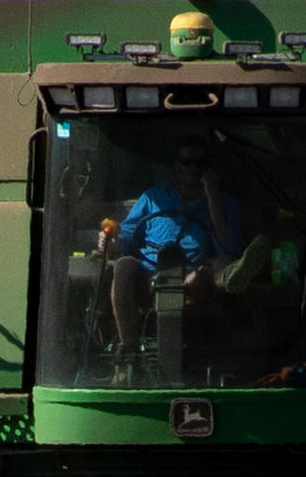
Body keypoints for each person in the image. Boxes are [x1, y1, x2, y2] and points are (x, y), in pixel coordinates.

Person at [93, 140, 246, 375]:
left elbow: (229, 246)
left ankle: (219, 280)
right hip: (149, 275)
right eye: (187, 162)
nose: (193, 169)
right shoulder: (153, 198)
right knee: (122, 266)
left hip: (195, 276)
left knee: (219, 266)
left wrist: (212, 196)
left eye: (200, 163)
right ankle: (129, 351)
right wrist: (111, 243)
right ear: (176, 167)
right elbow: (125, 237)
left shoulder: (226, 202)